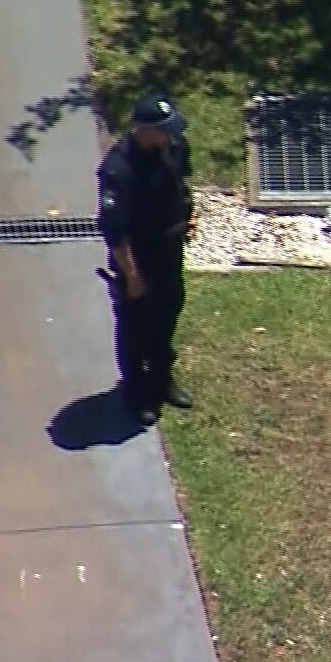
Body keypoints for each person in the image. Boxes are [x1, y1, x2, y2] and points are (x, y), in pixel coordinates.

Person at [99, 93, 196, 427]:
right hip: (139, 259)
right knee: (135, 327)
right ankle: (137, 393)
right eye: (164, 130)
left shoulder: (172, 147)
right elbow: (116, 231)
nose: (171, 135)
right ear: (144, 130)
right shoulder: (119, 169)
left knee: (166, 316)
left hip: (169, 251)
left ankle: (161, 380)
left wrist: (188, 215)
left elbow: (180, 183)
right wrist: (132, 276)